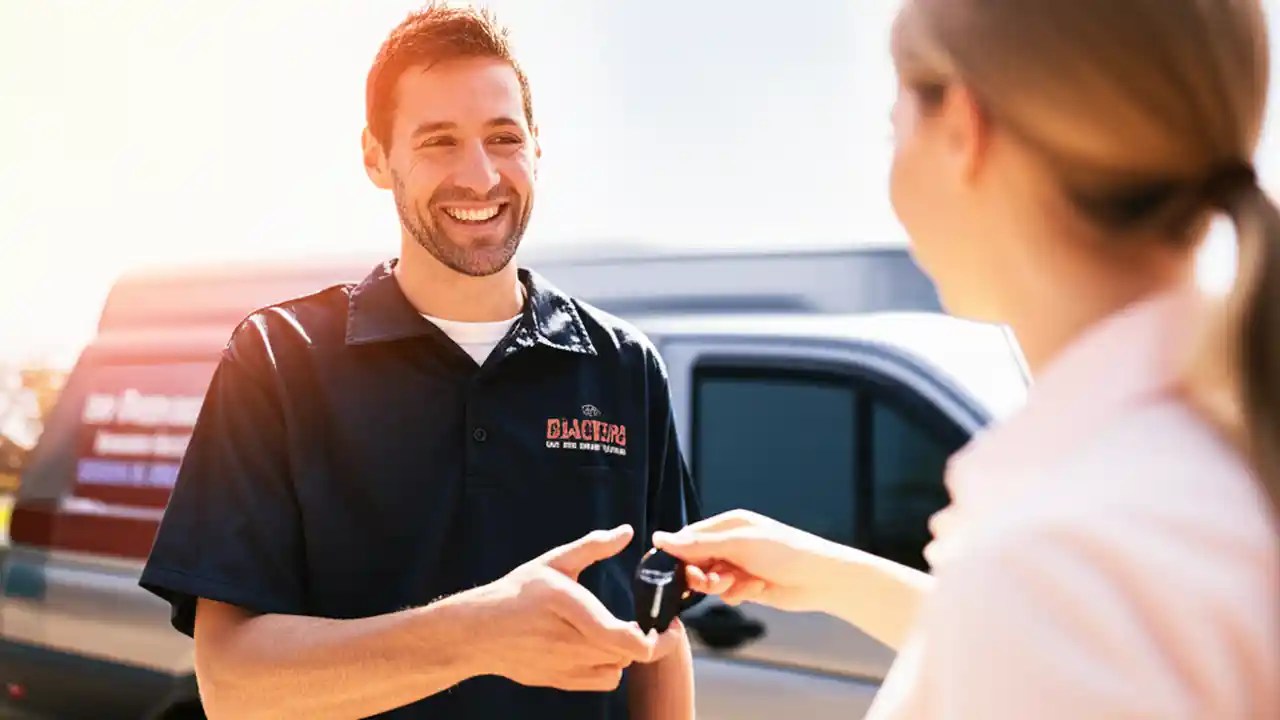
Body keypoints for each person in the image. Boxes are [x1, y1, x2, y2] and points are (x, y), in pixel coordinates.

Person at [654, 0, 1280, 717]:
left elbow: (1043, 630)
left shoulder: (1058, 564)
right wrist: (838, 579)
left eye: (896, 125)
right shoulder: (1186, 489)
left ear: (961, 128)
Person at [137, 4, 700, 719]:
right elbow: (234, 687)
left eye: (504, 137)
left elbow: (659, 635)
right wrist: (477, 635)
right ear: (377, 157)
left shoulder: (624, 368)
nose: (481, 175)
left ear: (537, 148)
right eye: (440, 141)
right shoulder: (279, 360)